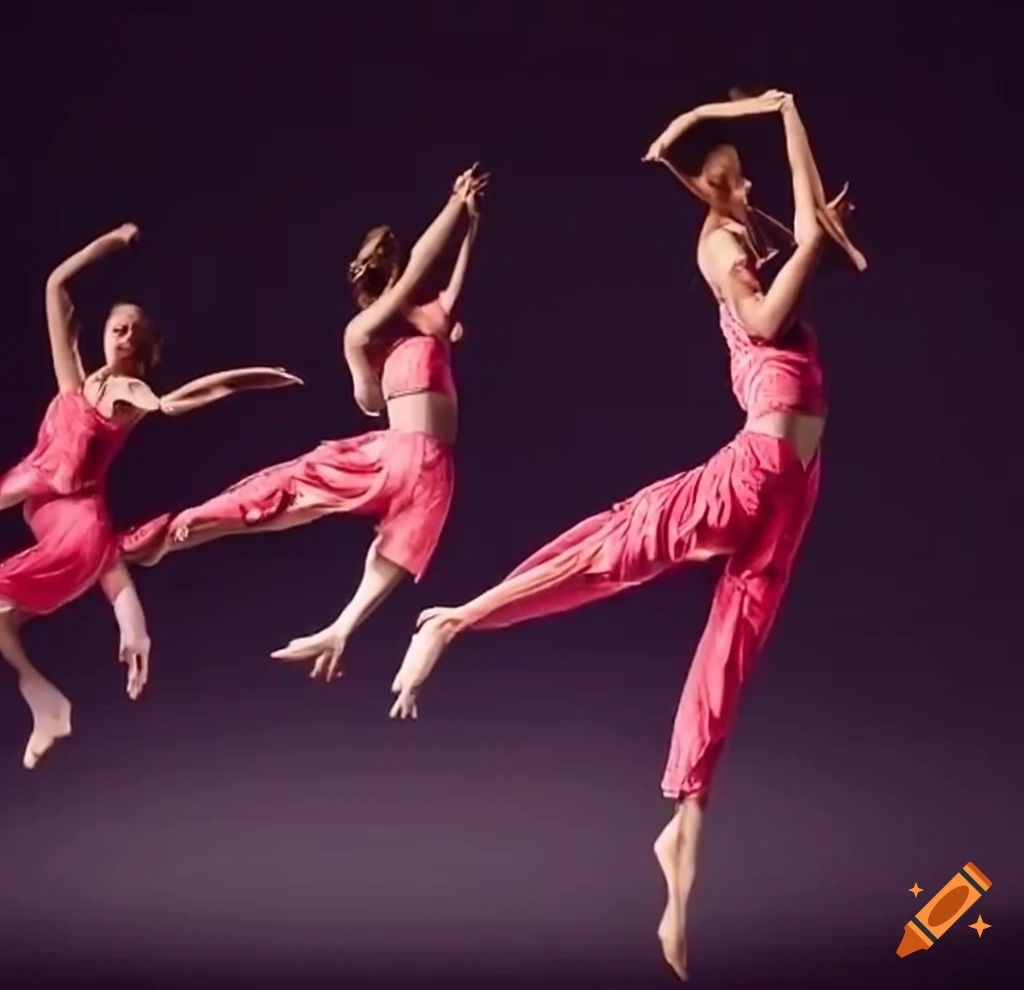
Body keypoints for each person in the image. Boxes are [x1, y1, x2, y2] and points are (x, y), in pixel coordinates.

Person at [387, 93, 865, 980]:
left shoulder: (760, 242)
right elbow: (762, 319)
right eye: (735, 174)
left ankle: (682, 828)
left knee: (733, 648)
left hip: (796, 487)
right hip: (755, 468)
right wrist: (794, 186)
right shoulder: (722, 247)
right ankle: (455, 618)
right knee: (618, 544)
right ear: (714, 188)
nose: (749, 183)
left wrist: (790, 117)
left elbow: (803, 217)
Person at [119, 165, 486, 682]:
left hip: (432, 468)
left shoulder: (432, 319)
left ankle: (339, 628)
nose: (395, 267)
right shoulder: (363, 330)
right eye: (386, 264)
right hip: (393, 451)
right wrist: (454, 206)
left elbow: (449, 286)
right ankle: (168, 535)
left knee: (402, 545)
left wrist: (470, 221)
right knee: (279, 495)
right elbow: (373, 392)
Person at [0, 223, 302, 769]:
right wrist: (110, 243)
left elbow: (179, 401)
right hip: (46, 501)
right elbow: (54, 287)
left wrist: (249, 378)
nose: (121, 335)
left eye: (133, 333)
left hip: (74, 527)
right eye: (117, 326)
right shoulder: (75, 385)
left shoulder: (125, 394)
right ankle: (45, 702)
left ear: (143, 349)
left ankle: (46, 701)